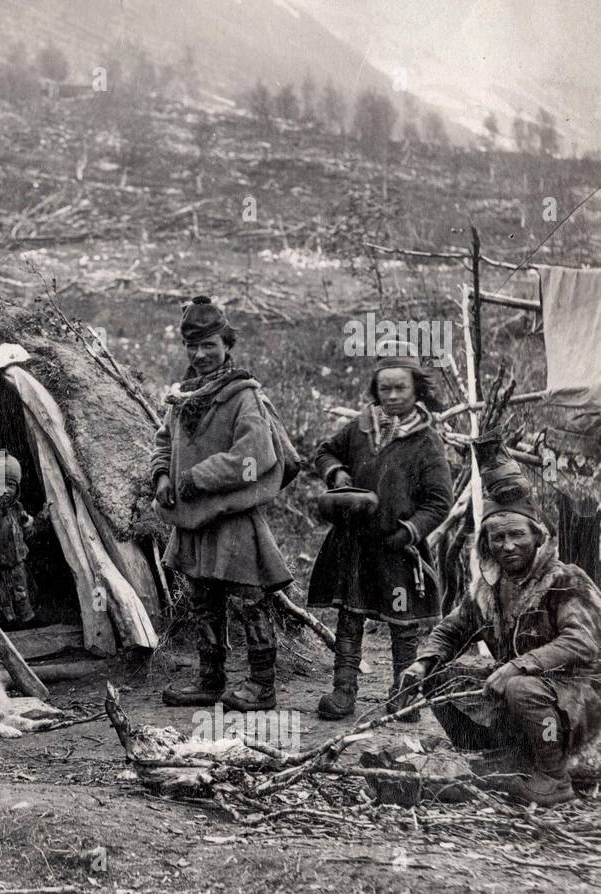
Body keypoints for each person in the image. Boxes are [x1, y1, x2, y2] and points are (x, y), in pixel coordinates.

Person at [399, 494, 601, 806]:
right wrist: (421, 664)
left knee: (521, 687)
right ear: (486, 544)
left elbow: (581, 641)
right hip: (524, 699)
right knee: (439, 674)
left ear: (537, 536)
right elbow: (451, 630)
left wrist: (517, 667)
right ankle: (492, 754)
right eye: (498, 538)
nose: (507, 546)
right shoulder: (487, 589)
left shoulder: (565, 580)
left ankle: (554, 778)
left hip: (578, 701)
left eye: (517, 535)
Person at [150, 296, 295, 712]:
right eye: (192, 347)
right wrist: (162, 475)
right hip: (194, 521)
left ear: (226, 344)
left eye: (209, 346)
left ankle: (262, 685)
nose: (200, 355)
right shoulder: (183, 396)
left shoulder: (242, 394)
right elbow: (164, 441)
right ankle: (210, 680)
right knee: (203, 601)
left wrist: (198, 477)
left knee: (248, 601)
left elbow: (255, 456)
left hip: (231, 518)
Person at [308, 351, 454, 720]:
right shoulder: (360, 428)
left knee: (403, 624)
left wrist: (408, 532)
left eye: (400, 388)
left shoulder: (426, 440)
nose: (391, 396)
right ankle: (343, 691)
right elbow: (325, 452)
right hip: (355, 544)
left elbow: (440, 502)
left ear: (416, 389)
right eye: (384, 388)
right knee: (350, 617)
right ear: (375, 389)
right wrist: (337, 474)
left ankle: (403, 693)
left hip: (398, 549)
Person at [0, 451, 48, 629]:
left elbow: (27, 534)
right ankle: (4, 628)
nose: (5, 490)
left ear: (17, 488)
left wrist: (41, 519)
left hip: (16, 565)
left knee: (22, 597)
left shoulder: (18, 509)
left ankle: (28, 623)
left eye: (10, 485)